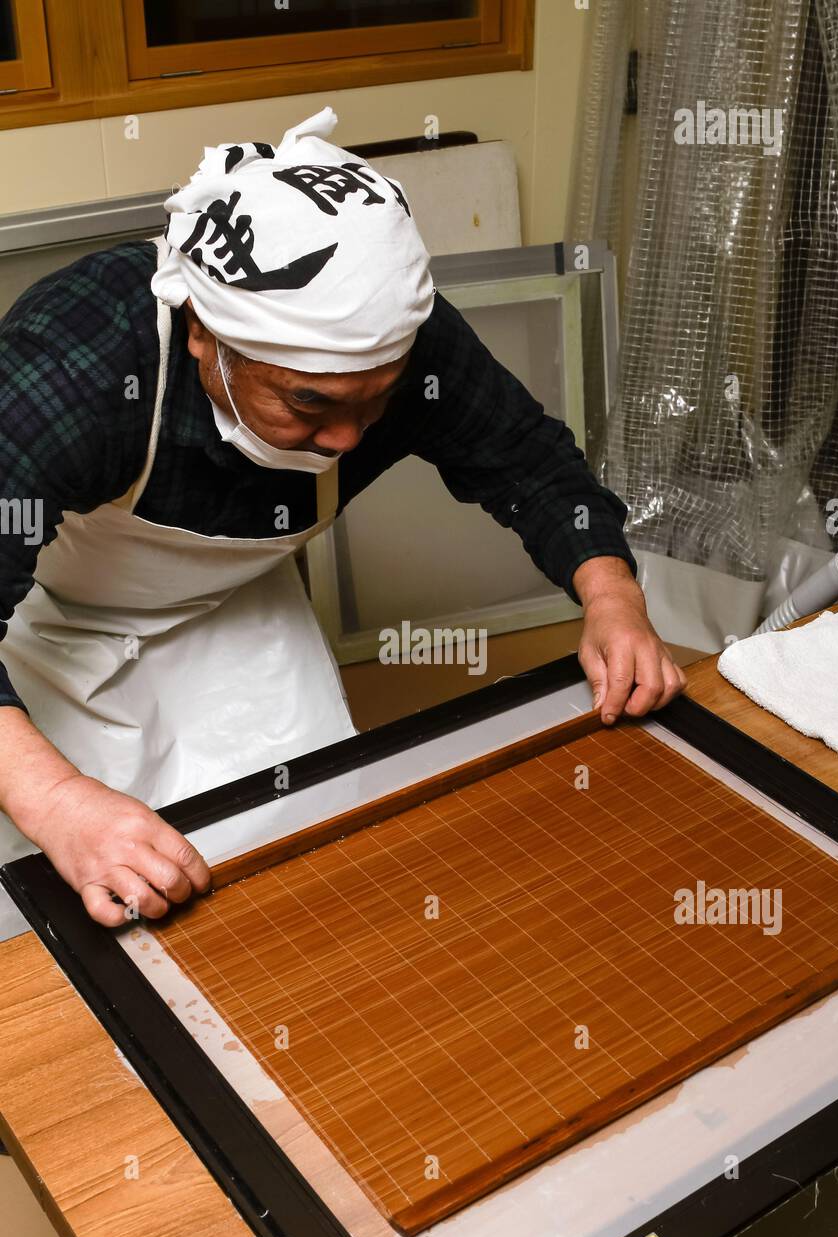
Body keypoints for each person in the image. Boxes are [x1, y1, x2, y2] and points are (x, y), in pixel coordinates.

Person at [0, 107, 685, 932]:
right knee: (73, 903)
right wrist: (63, 803)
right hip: (44, 641)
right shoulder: (77, 362)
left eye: (377, 402)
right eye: (309, 403)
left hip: (236, 615)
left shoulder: (396, 343)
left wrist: (613, 596)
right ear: (203, 337)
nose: (347, 439)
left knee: (301, 869)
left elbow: (527, 459)